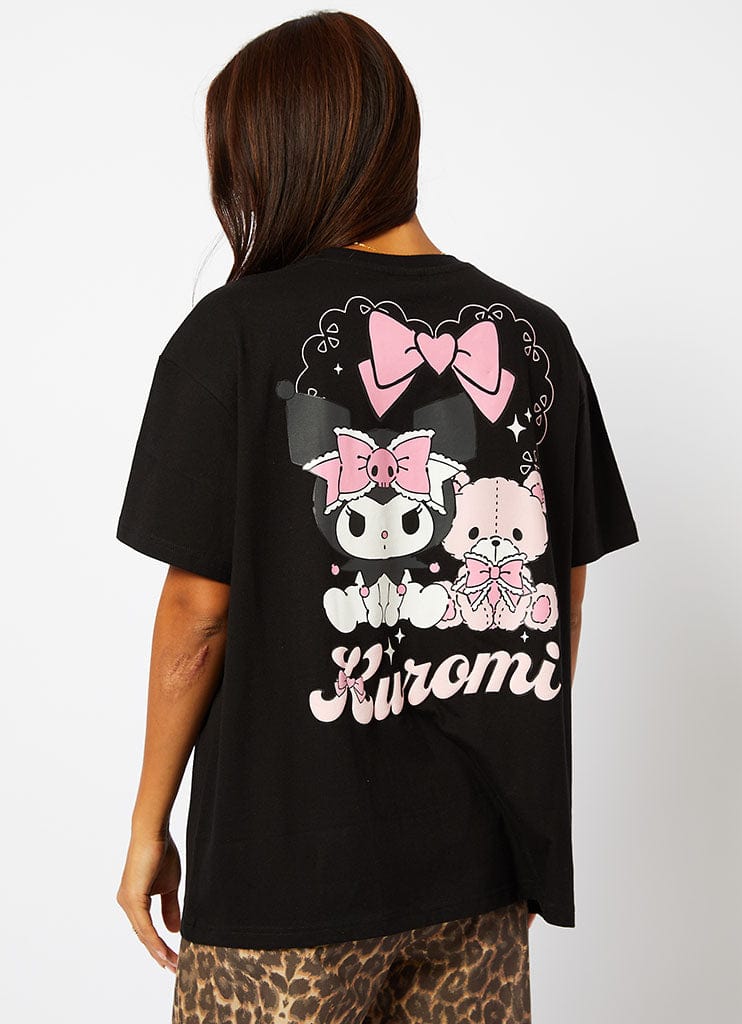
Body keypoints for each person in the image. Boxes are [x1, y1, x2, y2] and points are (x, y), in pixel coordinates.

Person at [114, 10, 640, 1023]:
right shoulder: (536, 337)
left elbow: (197, 617)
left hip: (282, 880)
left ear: (266, 155)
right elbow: (557, 602)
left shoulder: (232, 333)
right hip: (479, 874)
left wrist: (149, 823)